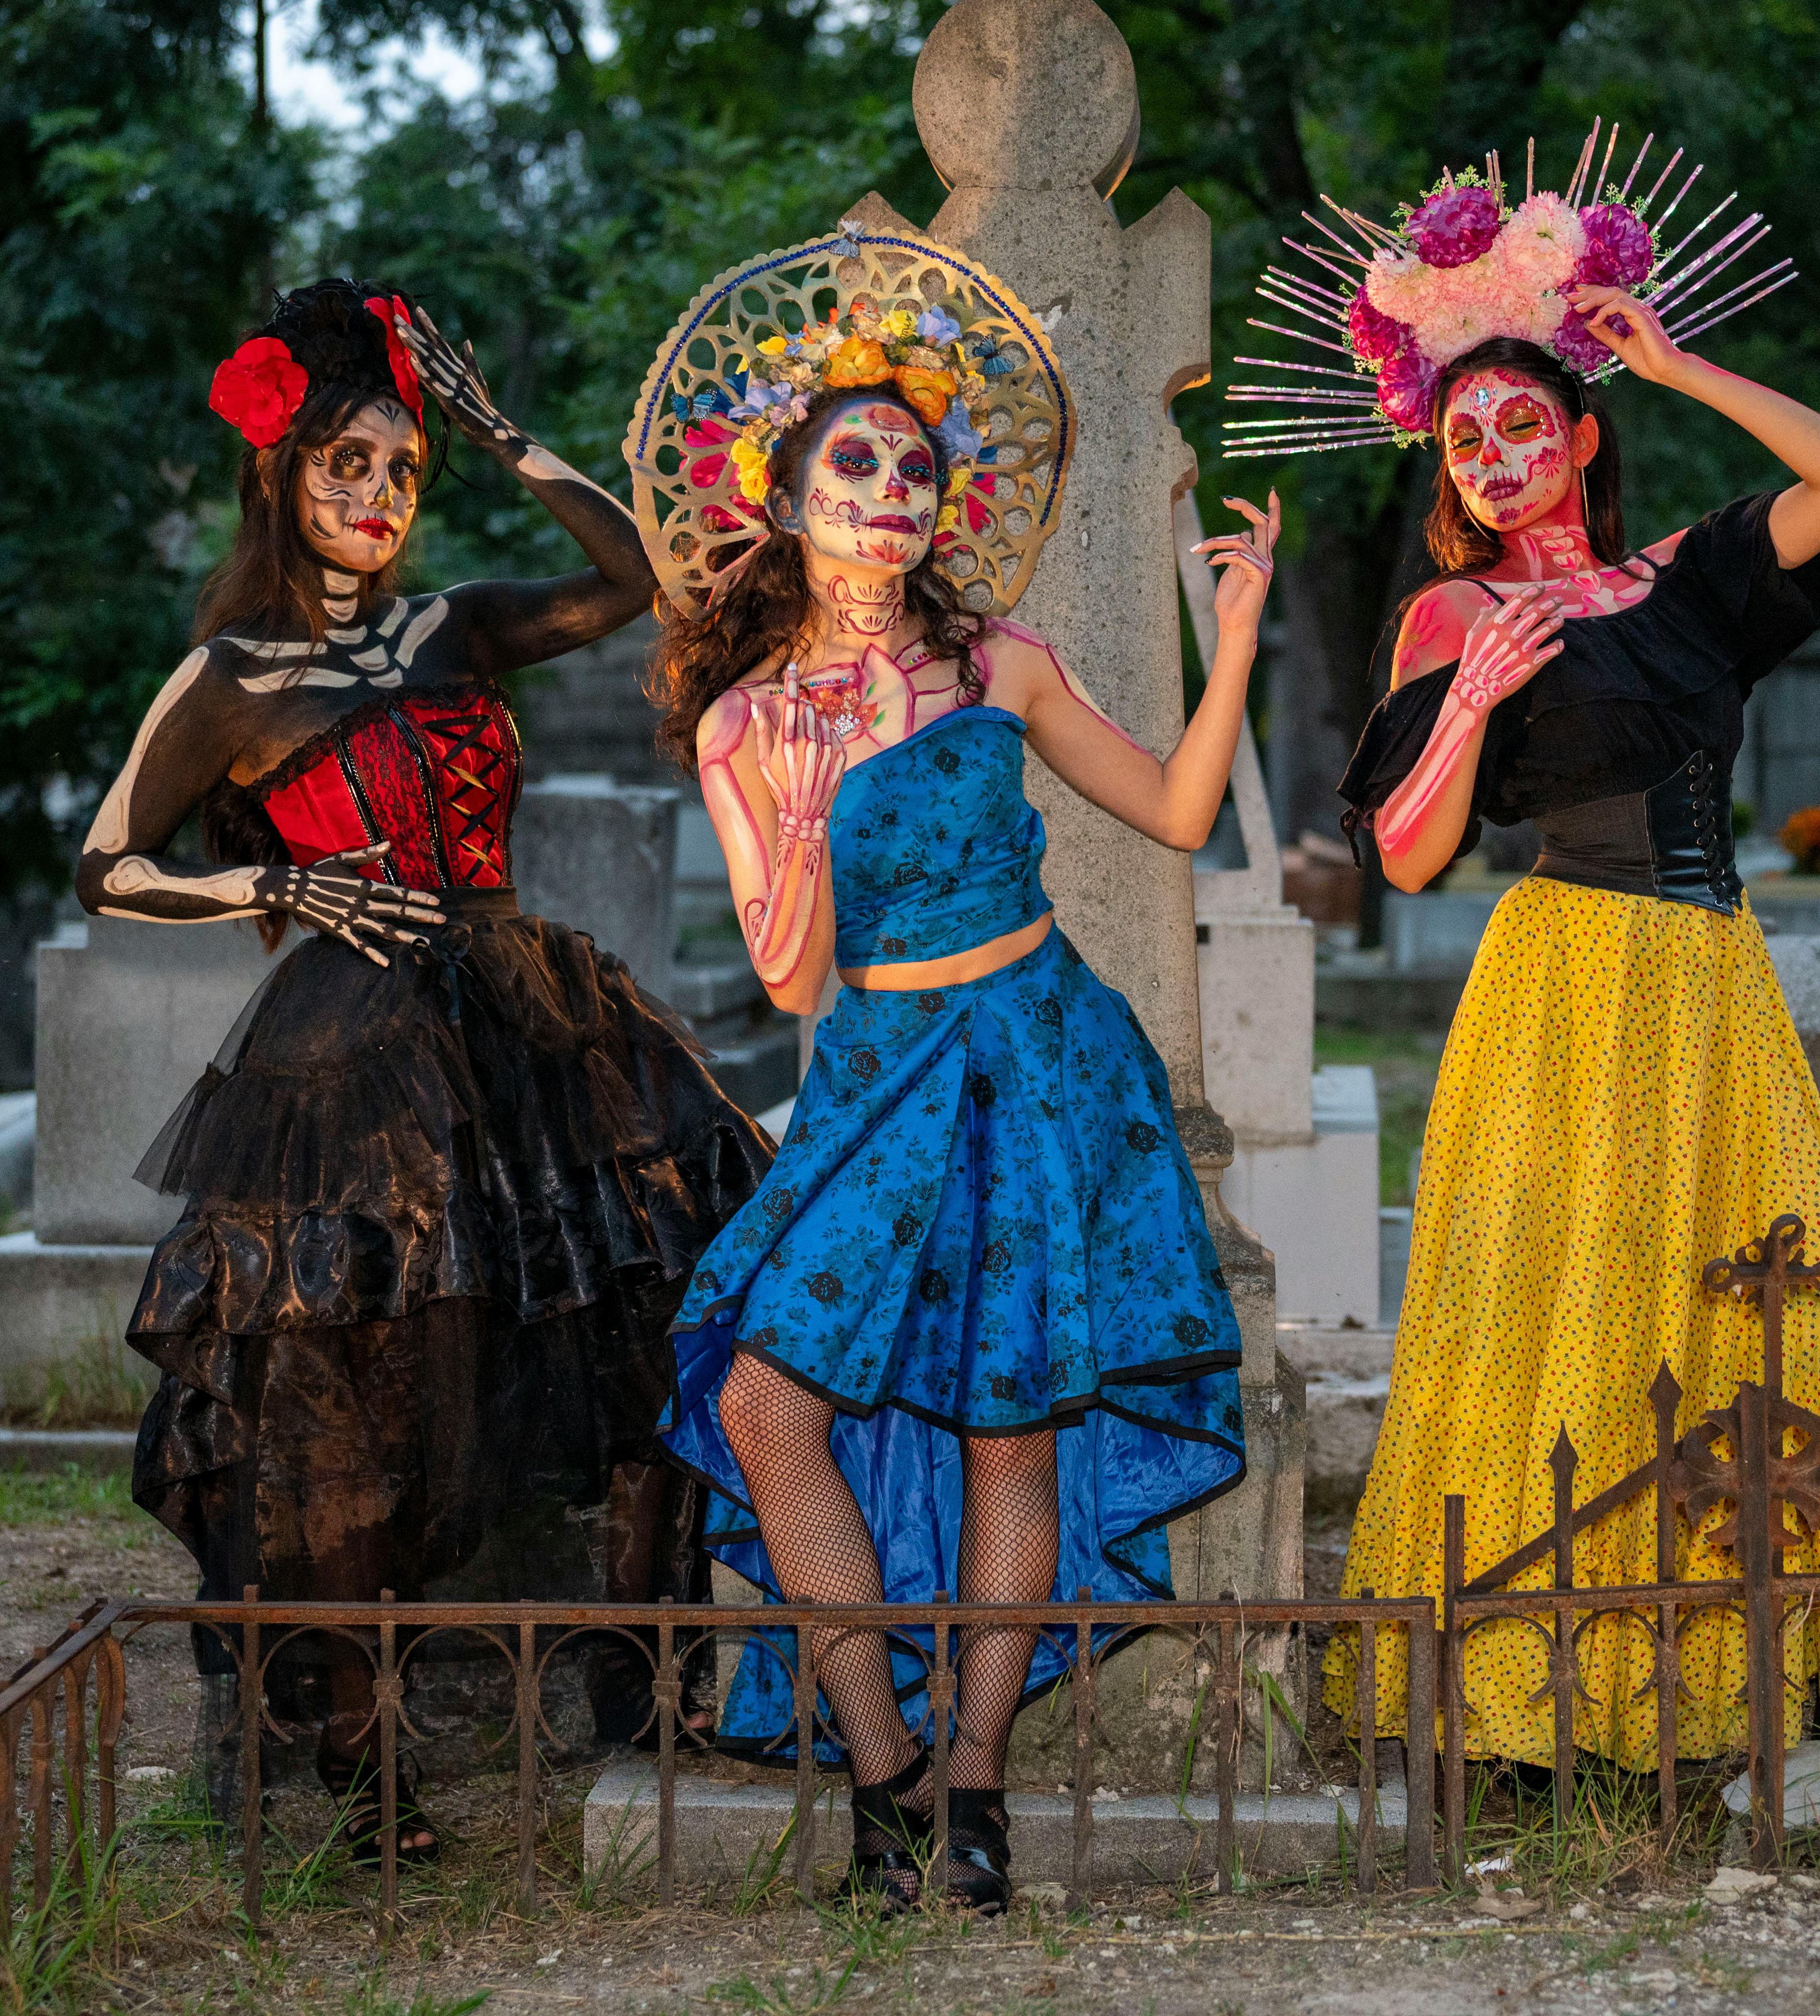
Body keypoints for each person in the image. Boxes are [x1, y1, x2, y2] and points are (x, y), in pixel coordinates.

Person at [1230, 154, 1820, 1771]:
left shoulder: (1688, 580)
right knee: (1573, 1299)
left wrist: (1677, 361)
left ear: (1582, 437)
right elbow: (1407, 854)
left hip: (1717, 980)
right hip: (1566, 979)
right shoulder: (1443, 617)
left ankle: (1735, 1676)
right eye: (1465, 443)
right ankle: (1545, 1700)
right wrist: (1471, 699)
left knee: (1746, 1296)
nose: (1493, 458)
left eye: (1523, 426)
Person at [624, 225, 1279, 1915]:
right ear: (785, 500)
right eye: (857, 464)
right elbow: (786, 967)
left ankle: (975, 1786)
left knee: (1012, 1427)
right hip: (879, 1075)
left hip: (1040, 1061)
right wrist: (814, 776)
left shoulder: (1004, 668)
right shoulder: (745, 719)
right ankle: (885, 1769)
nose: (893, 492)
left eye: (917, 468)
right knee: (773, 1402)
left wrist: (1241, 627)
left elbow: (1182, 815)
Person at [79, 279, 771, 1843]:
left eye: (401, 469)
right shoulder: (233, 680)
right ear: (284, 476)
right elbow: (107, 861)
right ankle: (360, 1745)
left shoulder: (458, 622)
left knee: (673, 1288)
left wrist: (501, 433)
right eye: (347, 466)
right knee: (350, 1374)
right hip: (355, 1041)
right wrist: (270, 884)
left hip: (528, 1012)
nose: (380, 496)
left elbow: (641, 579)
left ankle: (641, 1676)